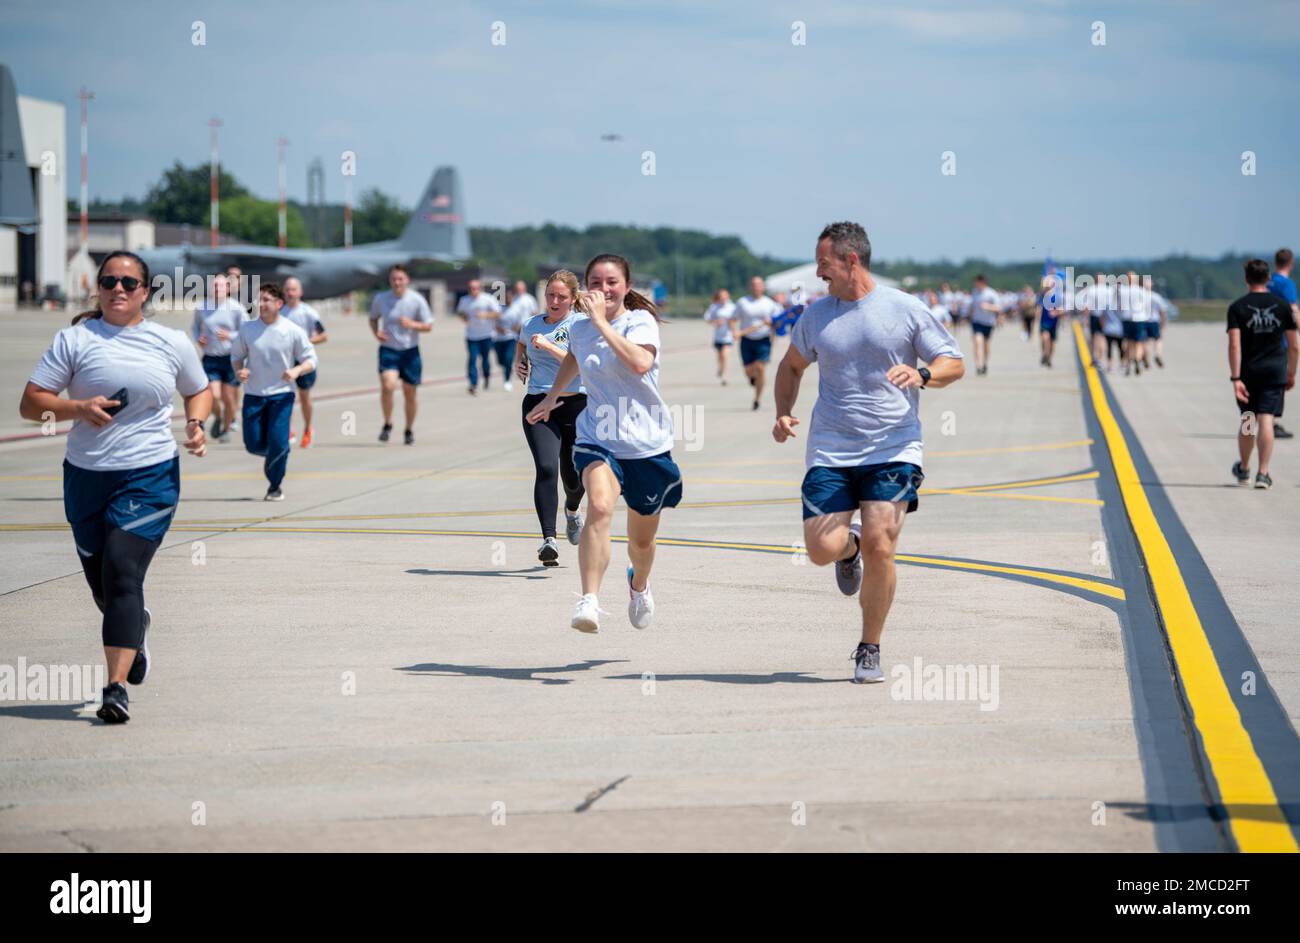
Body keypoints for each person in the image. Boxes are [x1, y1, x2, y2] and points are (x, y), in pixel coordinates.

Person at [19, 250, 211, 724]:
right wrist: (77, 408)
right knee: (104, 586)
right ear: (98, 288)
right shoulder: (74, 339)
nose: (118, 290)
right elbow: (31, 405)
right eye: (109, 281)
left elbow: (198, 388)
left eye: (128, 282)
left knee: (125, 573)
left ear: (146, 291)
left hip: (149, 474)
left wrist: (196, 421)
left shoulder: (169, 341)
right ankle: (135, 629)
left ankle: (115, 688)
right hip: (86, 475)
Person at [773, 222, 964, 683]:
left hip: (894, 446)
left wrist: (923, 375)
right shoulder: (816, 316)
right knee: (820, 549)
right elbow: (792, 365)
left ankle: (869, 647)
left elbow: (953, 362)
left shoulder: (903, 308)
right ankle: (847, 550)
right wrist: (783, 412)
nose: (819, 272)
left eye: (824, 263)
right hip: (831, 450)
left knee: (884, 544)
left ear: (850, 260)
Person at [526, 254, 682, 633]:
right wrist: (551, 398)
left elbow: (639, 363)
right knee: (597, 505)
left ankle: (639, 585)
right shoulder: (580, 329)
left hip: (645, 443)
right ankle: (589, 600)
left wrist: (599, 322)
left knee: (641, 544)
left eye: (611, 282)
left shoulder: (639, 322)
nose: (603, 289)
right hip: (598, 435)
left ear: (626, 287)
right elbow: (574, 360)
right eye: (595, 282)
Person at [516, 271, 589, 565]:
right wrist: (518, 361)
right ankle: (549, 539)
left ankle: (572, 511)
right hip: (538, 402)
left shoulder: (580, 326)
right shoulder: (532, 324)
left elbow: (580, 365)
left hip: (576, 405)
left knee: (573, 475)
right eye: (550, 295)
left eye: (561, 296)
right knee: (546, 468)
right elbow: (522, 342)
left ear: (572, 299)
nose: (554, 301)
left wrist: (547, 346)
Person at [231, 282, 316, 500]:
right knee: (253, 444)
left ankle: (275, 486)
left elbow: (310, 359)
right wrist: (240, 372)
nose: (261, 304)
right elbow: (236, 357)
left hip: (281, 395)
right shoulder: (248, 329)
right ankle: (277, 454)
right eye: (259, 299)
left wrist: (297, 370)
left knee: (278, 442)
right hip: (253, 395)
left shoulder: (291, 330)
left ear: (279, 303)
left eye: (267, 300)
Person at [1228, 259, 1297, 489]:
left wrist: (1236, 378)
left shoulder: (1237, 307)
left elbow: (1235, 346)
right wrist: (1291, 372)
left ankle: (1245, 468)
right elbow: (1294, 345)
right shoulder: (1282, 305)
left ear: (1246, 279)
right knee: (1267, 418)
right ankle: (1263, 473)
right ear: (1268, 278)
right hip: (1274, 370)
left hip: (1249, 373)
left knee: (1248, 419)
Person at [369, 265, 433, 444]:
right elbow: (373, 318)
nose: (397, 282)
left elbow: (428, 325)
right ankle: (388, 423)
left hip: (410, 351)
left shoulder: (417, 300)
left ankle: (409, 429)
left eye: (400, 279)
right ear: (390, 281)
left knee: (409, 393)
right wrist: (376, 333)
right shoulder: (381, 298)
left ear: (407, 280)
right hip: (389, 349)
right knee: (388, 386)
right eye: (393, 279)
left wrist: (413, 324)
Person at [190, 270, 245, 442]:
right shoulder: (202, 307)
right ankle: (218, 417)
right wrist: (199, 338)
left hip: (231, 359)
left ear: (227, 288)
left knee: (229, 398)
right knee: (213, 395)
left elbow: (246, 332)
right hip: (211, 358)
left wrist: (230, 336)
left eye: (220, 285)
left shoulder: (236, 308)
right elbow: (195, 327)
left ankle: (226, 428)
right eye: (214, 285)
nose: (217, 288)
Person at [281, 276, 328, 448]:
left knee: (304, 395)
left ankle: (308, 428)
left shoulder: (308, 312)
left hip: (305, 360)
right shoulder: (280, 312)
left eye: (293, 289)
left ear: (300, 292)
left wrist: (307, 341)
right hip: (286, 361)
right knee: (287, 395)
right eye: (287, 289)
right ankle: (289, 430)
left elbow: (323, 335)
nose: (290, 293)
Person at [733, 277, 783, 410]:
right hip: (746, 339)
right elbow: (733, 319)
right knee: (748, 370)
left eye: (759, 285)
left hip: (763, 339)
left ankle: (757, 400)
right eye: (753, 285)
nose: (756, 287)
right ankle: (752, 378)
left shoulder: (770, 304)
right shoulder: (742, 302)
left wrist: (772, 322)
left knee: (760, 368)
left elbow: (779, 322)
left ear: (763, 287)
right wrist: (734, 332)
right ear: (750, 287)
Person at [1267, 249, 1297, 439]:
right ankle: (1271, 424)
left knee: (1253, 393)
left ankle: (1250, 425)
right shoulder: (1287, 285)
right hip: (1281, 341)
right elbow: (1293, 311)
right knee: (1275, 386)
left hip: (1258, 343)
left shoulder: (1267, 283)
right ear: (1290, 264)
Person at [457, 278, 503, 395]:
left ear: (480, 289)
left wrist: (485, 314)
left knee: (485, 359)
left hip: (486, 335)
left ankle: (486, 376)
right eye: (471, 288)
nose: (473, 290)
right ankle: (473, 383)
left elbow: (497, 313)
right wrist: (464, 317)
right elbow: (461, 313)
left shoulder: (488, 299)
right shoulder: (464, 300)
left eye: (475, 288)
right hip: (471, 335)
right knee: (472, 359)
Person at [499, 281, 536, 393]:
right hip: (516, 330)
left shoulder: (529, 299)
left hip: (528, 328)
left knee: (528, 353)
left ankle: (524, 371)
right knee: (517, 352)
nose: (518, 290)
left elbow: (535, 312)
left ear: (524, 288)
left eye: (520, 288)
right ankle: (518, 368)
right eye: (517, 288)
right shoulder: (513, 299)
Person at [704, 289, 736, 385]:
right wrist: (715, 322)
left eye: (725, 296)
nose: (723, 298)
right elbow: (707, 317)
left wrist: (733, 325)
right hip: (718, 336)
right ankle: (720, 369)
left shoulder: (732, 307)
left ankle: (724, 376)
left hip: (728, 336)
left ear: (728, 296)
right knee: (719, 357)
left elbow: (737, 318)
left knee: (725, 355)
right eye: (721, 296)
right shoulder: (714, 307)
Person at [969, 274, 999, 375]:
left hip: (988, 323)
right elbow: (972, 305)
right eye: (975, 283)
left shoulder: (991, 293)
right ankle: (978, 365)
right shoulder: (974, 292)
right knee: (978, 342)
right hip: (976, 322)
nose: (976, 285)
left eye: (978, 283)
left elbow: (998, 307)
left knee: (986, 345)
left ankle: (985, 363)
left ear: (983, 283)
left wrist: (988, 307)